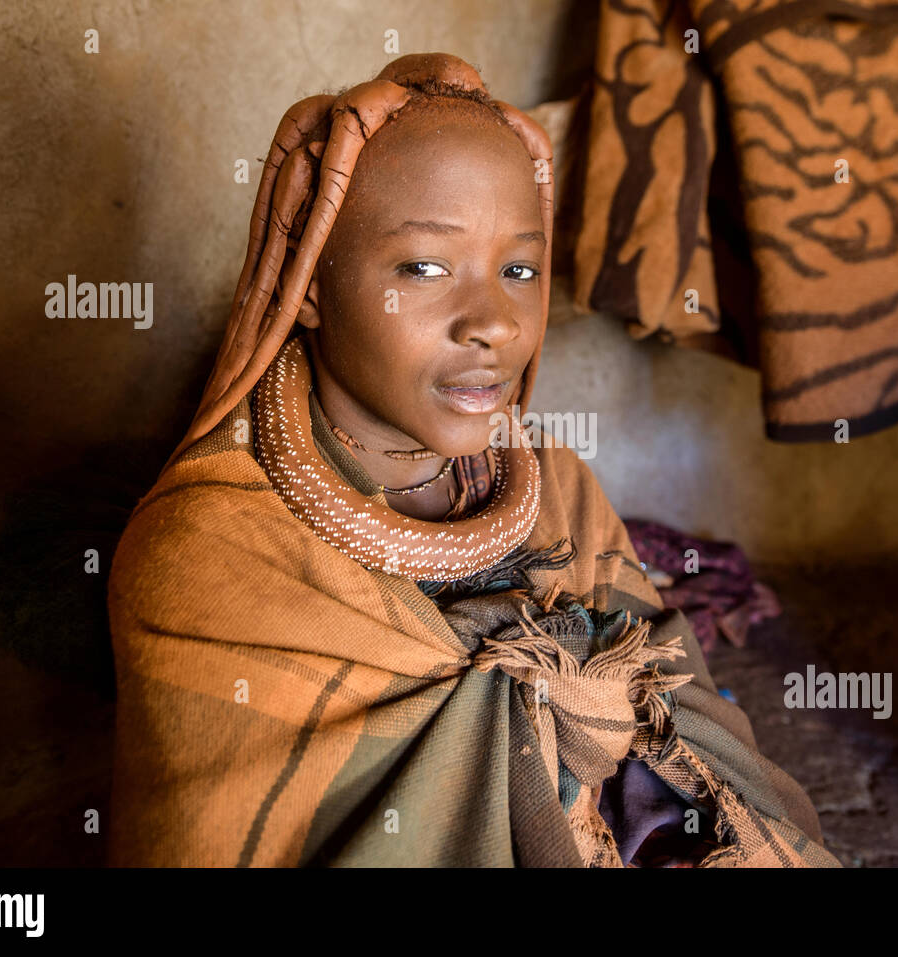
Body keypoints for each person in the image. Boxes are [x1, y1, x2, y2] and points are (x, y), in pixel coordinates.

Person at [106, 53, 838, 868]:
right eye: (424, 267)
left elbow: (688, 715)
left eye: (519, 268)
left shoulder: (554, 484)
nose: (493, 321)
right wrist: (549, 701)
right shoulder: (207, 555)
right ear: (310, 283)